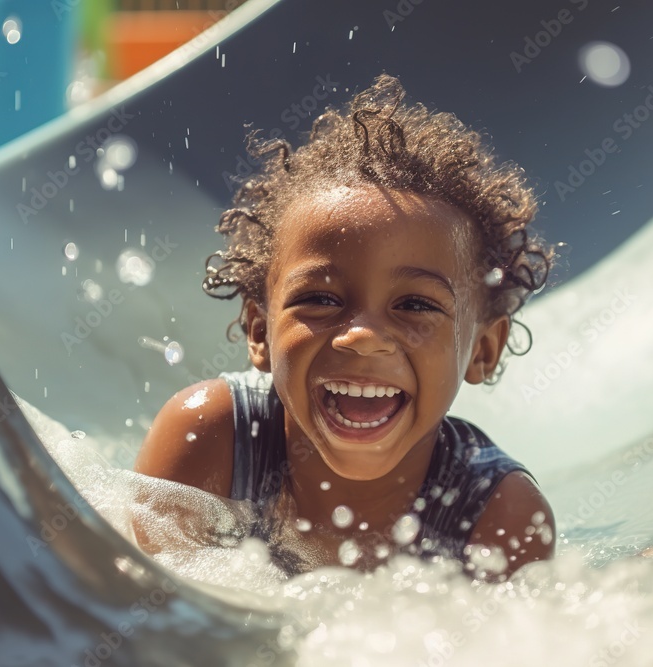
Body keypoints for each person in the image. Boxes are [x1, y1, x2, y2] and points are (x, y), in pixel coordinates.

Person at [135, 74, 555, 580]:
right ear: (260, 331)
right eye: (319, 299)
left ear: (483, 350)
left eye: (415, 305)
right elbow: (143, 606)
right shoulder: (213, 441)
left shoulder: (496, 517)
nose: (362, 335)